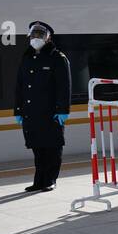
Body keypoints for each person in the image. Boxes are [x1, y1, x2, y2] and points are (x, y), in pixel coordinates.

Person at [13, 21, 71, 192]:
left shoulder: (57, 58)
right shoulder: (27, 57)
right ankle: (38, 181)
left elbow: (64, 86)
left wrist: (63, 110)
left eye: (40, 35)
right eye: (33, 35)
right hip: (31, 113)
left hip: (50, 113)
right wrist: (18, 110)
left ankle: (50, 179)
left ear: (48, 38)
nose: (36, 38)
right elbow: (19, 86)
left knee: (52, 147)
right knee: (38, 149)